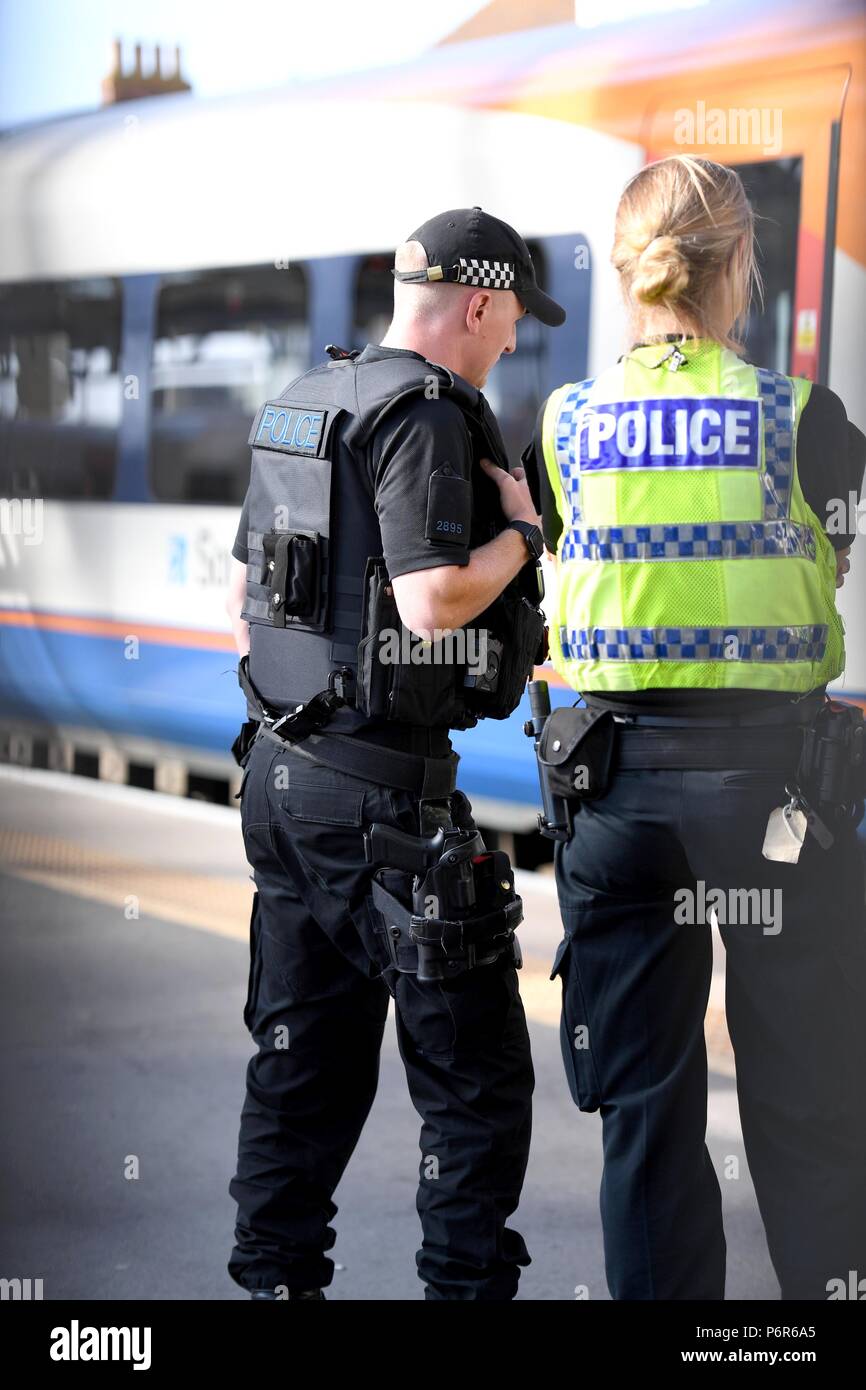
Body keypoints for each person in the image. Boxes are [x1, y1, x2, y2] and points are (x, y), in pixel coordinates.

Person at [522, 155, 866, 1300]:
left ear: (625, 274)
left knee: (645, 1111)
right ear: (742, 269)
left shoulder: (562, 426)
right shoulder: (803, 418)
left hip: (616, 798)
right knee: (811, 1097)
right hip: (778, 801)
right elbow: (835, 551)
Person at [224, 206, 566, 1301]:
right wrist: (524, 536)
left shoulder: (303, 402)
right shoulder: (424, 413)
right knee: (473, 1082)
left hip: (279, 782)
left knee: (299, 1069)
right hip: (383, 807)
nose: (511, 339)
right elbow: (428, 606)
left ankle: (278, 1284)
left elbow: (250, 594)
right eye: (510, 316)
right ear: (473, 303)